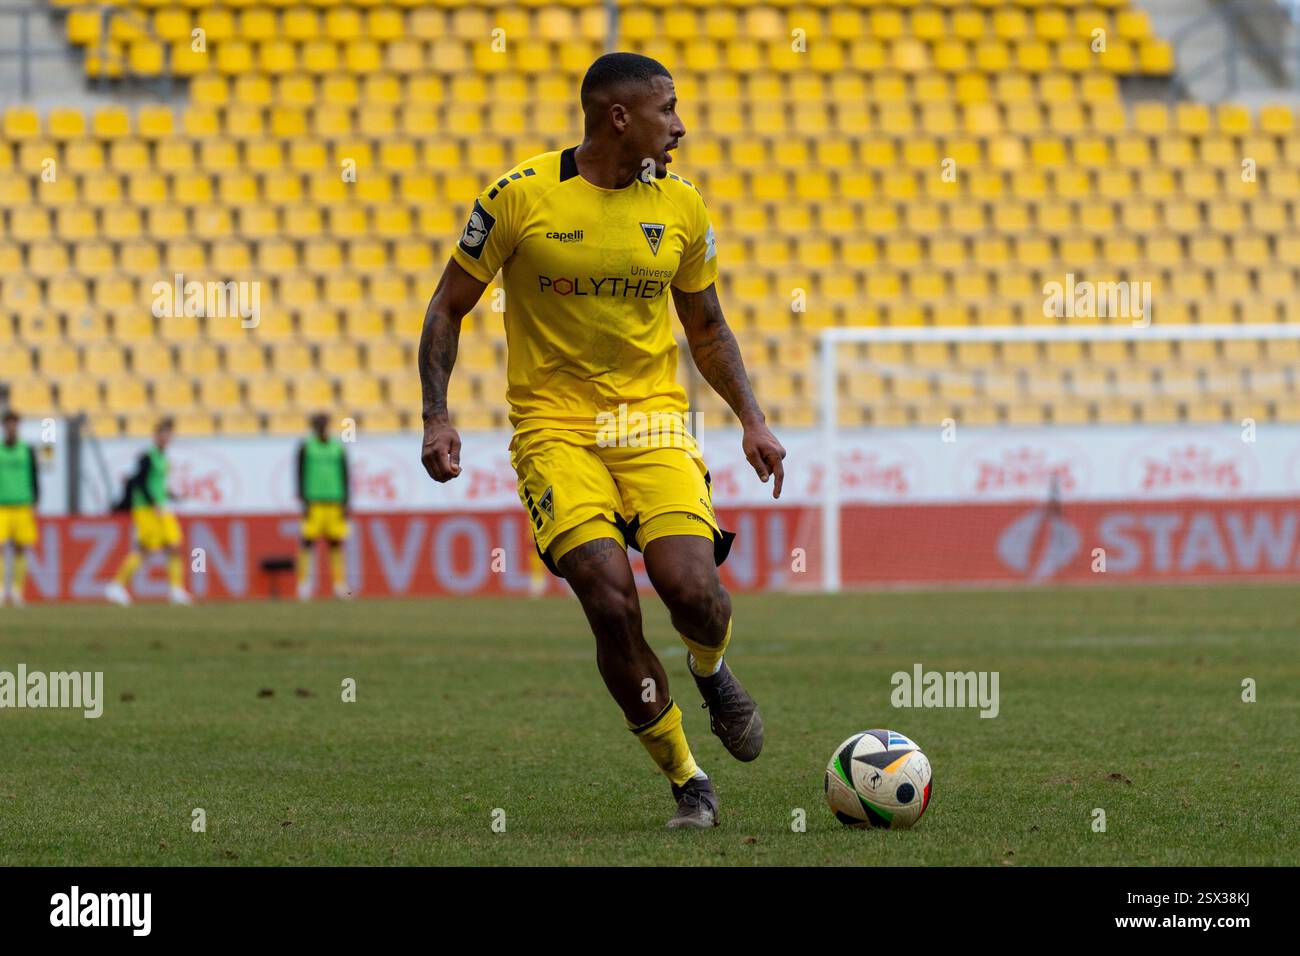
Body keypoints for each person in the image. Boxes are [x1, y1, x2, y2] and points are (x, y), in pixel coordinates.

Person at [418, 53, 787, 828]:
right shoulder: (518, 198)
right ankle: (689, 780)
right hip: (554, 431)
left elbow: (706, 326)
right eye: (669, 109)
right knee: (612, 603)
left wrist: (752, 419)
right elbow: (448, 307)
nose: (681, 125)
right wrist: (437, 414)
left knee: (693, 592)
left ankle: (711, 668)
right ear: (620, 117)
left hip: (652, 422)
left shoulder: (682, 205)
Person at [105, 417, 192, 606]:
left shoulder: (164, 459)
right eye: (162, 433)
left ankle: (176, 590)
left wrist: (174, 495)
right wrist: (153, 502)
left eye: (168, 434)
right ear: (156, 436)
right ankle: (115, 585)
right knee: (146, 549)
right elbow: (138, 482)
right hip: (146, 508)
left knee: (174, 546)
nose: (166, 437)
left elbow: (158, 485)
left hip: (161, 508)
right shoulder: (146, 457)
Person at [296, 413, 352, 600]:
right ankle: (304, 585)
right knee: (307, 542)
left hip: (335, 500)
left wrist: (346, 501)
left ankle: (339, 585)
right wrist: (302, 499)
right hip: (314, 501)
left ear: (327, 424)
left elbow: (346, 474)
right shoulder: (306, 446)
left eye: (322, 423)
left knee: (336, 543)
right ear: (313, 426)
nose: (320, 427)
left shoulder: (338, 447)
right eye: (316, 423)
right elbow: (299, 474)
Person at [0, 410, 39, 608]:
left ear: (18, 425)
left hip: (23, 504)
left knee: (21, 548)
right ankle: (0, 591)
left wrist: (35, 500)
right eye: (8, 423)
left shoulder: (27, 450)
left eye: (14, 423)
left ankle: (16, 590)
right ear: (4, 426)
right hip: (2, 506)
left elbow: (34, 476)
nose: (11, 427)